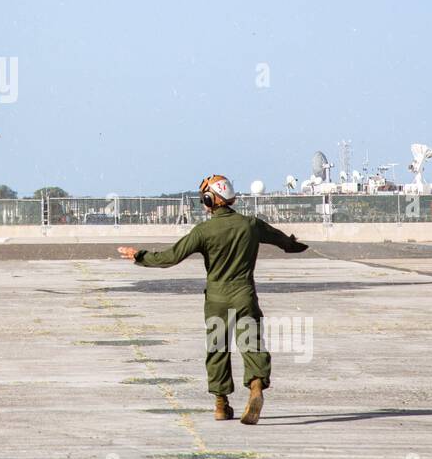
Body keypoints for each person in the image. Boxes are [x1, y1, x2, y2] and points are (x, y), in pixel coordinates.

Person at [117, 174, 309, 425]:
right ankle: (255, 388)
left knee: (217, 349)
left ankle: (221, 404)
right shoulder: (250, 225)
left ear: (210, 199)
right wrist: (297, 246)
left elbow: (170, 258)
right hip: (244, 296)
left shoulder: (203, 231)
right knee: (251, 344)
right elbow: (283, 241)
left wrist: (139, 256)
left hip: (217, 298)